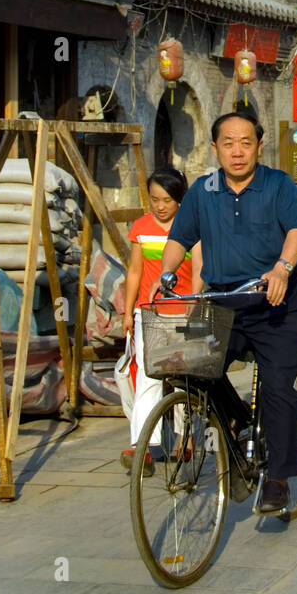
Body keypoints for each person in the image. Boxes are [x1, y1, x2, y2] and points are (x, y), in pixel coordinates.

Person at [157, 111, 297, 514]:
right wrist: (167, 274)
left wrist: (282, 268)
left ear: (259, 146)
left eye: (246, 142)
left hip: (276, 304)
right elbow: (179, 237)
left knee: (277, 389)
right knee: (192, 370)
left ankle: (278, 478)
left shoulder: (277, 184)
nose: (237, 151)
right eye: (228, 143)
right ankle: (238, 418)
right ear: (215, 149)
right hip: (224, 303)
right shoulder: (203, 191)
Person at [115, 167, 202, 473]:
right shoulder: (140, 227)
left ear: (180, 199)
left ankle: (185, 441)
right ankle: (142, 447)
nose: (160, 206)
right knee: (149, 380)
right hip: (149, 312)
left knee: (182, 379)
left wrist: (194, 303)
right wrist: (128, 312)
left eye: (167, 199)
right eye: (154, 199)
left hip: (183, 312)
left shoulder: (192, 227)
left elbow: (200, 270)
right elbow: (135, 272)